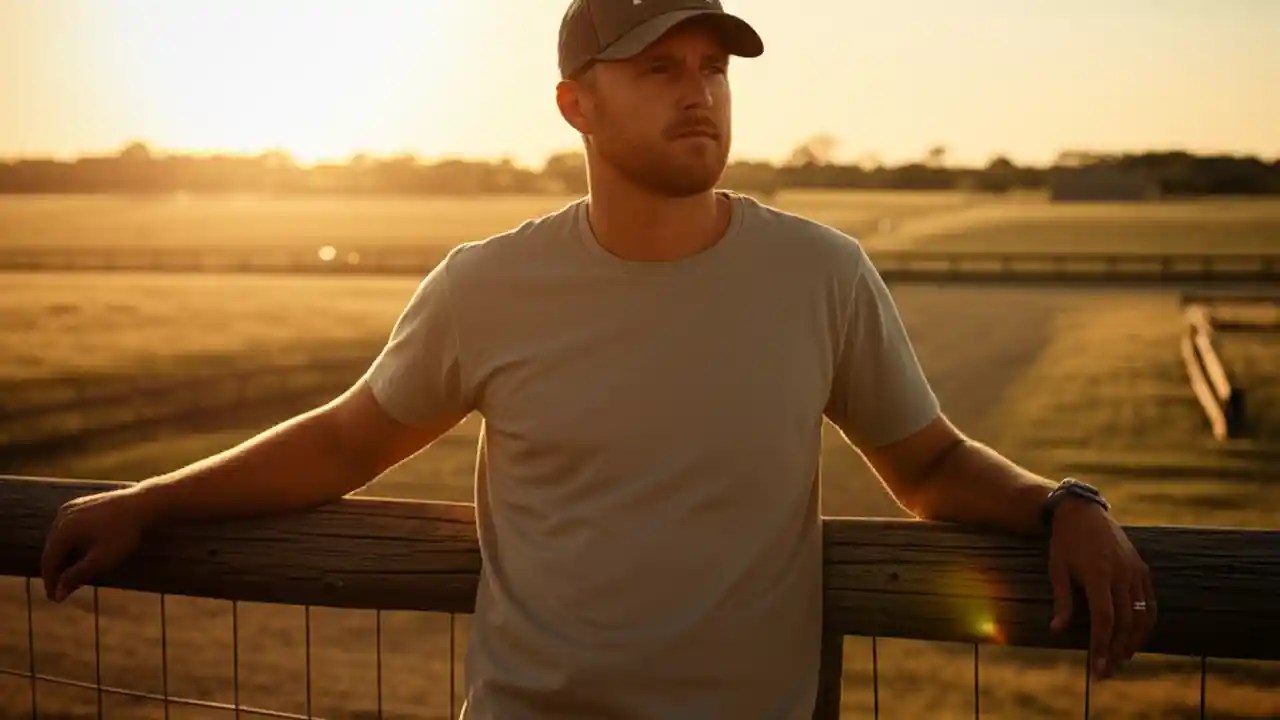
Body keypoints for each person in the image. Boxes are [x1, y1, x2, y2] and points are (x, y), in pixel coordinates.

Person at [40, 1, 1157, 717]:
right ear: (576, 104)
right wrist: (153, 499)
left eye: (714, 67)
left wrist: (1063, 504)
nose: (699, 91)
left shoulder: (819, 273)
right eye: (659, 67)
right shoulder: (485, 285)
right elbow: (344, 440)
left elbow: (926, 465)